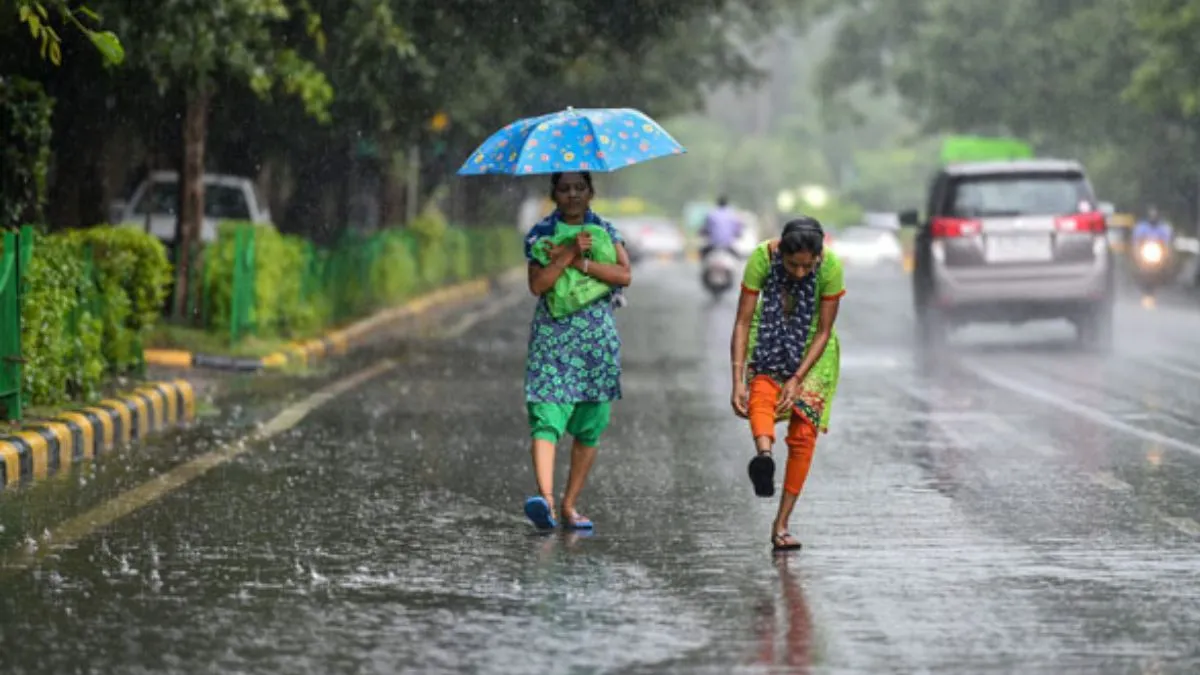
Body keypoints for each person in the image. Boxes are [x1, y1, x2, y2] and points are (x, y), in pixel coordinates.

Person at [521, 171, 633, 531]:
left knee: (590, 425)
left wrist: (582, 262)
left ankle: (570, 505)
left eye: (579, 188)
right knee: (546, 414)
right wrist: (567, 252)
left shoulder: (605, 231)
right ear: (553, 193)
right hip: (553, 338)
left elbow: (623, 275)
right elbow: (538, 285)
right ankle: (547, 502)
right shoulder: (541, 235)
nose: (572, 195)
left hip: (595, 341)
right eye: (565, 189)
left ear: (590, 192)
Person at [729, 217, 845, 552]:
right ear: (780, 252)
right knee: (761, 393)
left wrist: (797, 378)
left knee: (804, 433)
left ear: (819, 257)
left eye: (807, 266)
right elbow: (743, 321)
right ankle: (763, 457)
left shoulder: (832, 266)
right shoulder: (761, 259)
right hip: (769, 335)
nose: (798, 273)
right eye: (792, 265)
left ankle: (781, 525)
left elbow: (823, 330)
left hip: (814, 349)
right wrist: (737, 379)